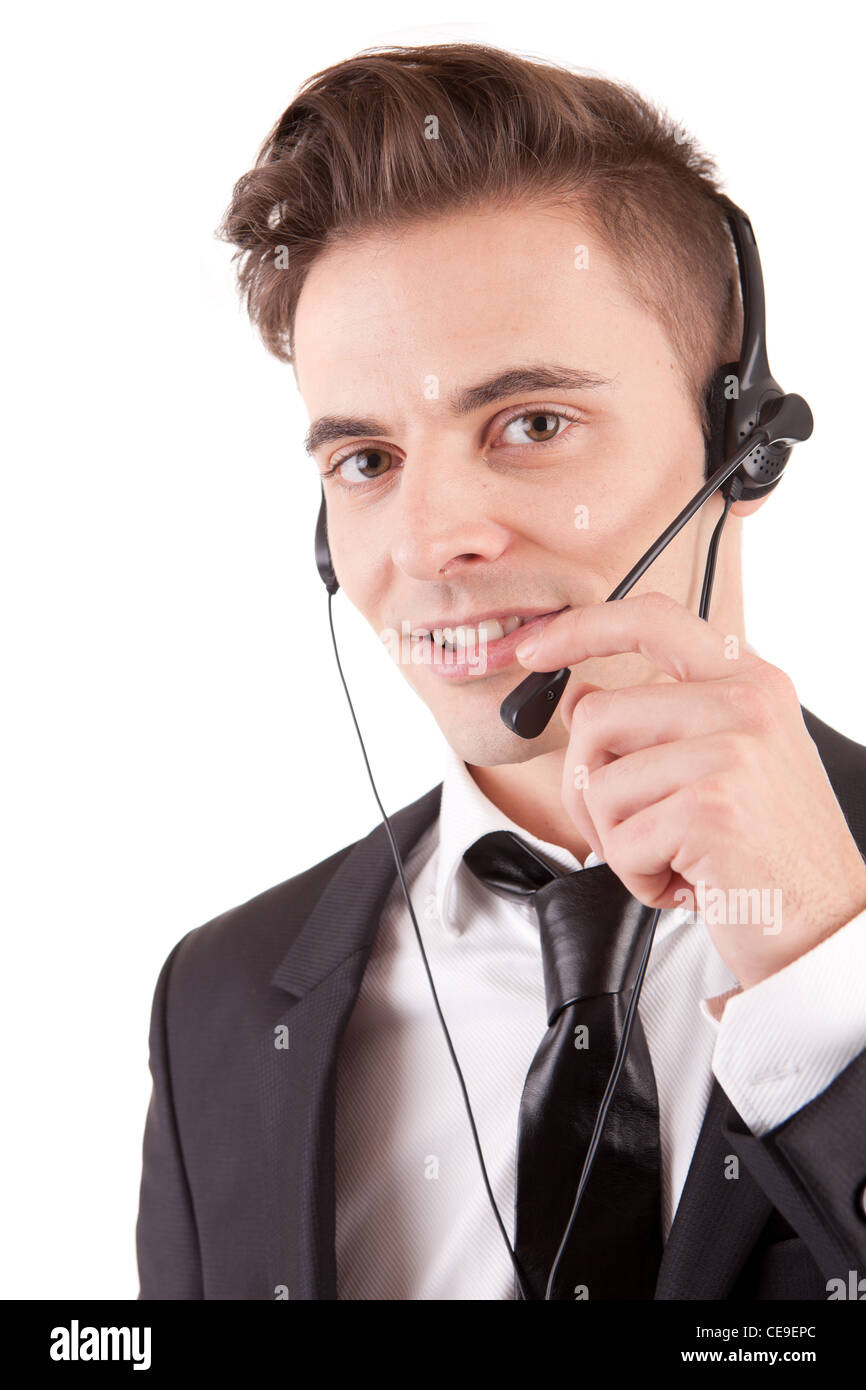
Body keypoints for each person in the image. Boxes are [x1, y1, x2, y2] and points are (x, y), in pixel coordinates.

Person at [136, 42, 866, 1301]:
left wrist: (822, 965)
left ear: (739, 445)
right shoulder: (221, 1000)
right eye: (365, 459)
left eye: (529, 424)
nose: (430, 540)